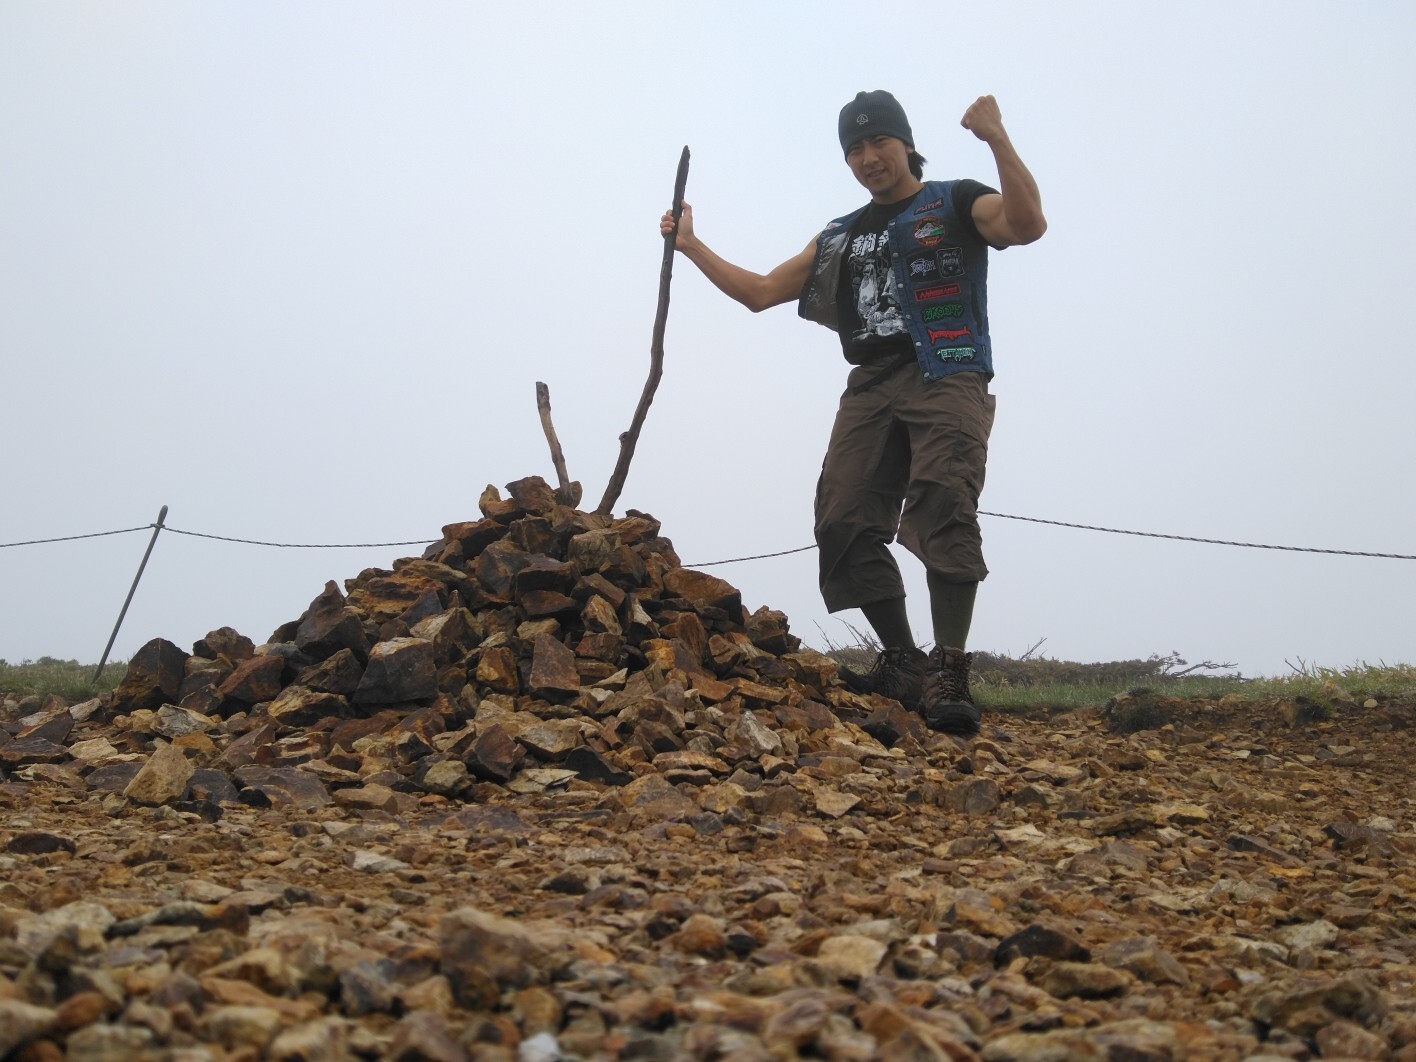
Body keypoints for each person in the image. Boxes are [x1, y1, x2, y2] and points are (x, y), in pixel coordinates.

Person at [661, 91, 1045, 734]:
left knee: (943, 502)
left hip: (949, 370)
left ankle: (950, 670)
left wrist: (997, 139)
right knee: (841, 516)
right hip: (870, 385)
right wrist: (692, 247)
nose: (869, 158)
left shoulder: (955, 200)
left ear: (905, 143)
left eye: (880, 143)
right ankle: (901, 661)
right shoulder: (841, 234)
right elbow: (759, 293)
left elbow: (1026, 225)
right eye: (855, 149)